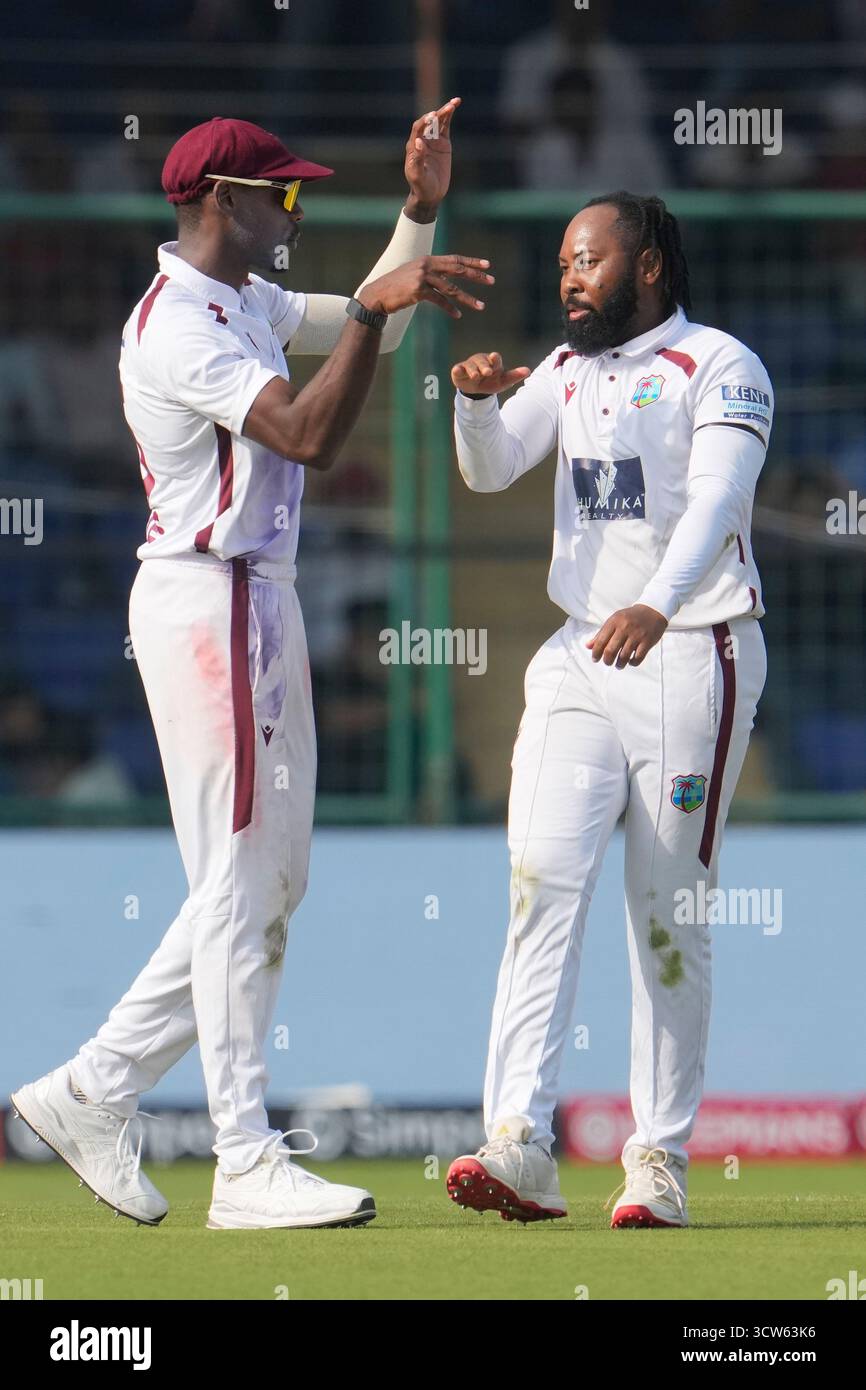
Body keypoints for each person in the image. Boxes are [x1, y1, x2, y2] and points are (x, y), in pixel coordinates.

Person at [11, 103, 493, 1231]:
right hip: (210, 597)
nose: (297, 207)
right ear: (217, 200)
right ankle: (241, 1158)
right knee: (240, 885)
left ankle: (93, 1089)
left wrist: (415, 215)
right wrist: (375, 315)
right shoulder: (182, 323)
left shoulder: (242, 297)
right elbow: (309, 435)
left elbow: (382, 319)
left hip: (246, 599)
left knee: (263, 885)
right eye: (279, 193)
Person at [446, 192, 773, 1228]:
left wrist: (655, 601)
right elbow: (492, 468)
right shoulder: (568, 368)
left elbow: (718, 499)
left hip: (690, 650)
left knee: (666, 915)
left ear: (645, 267)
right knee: (539, 884)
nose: (566, 278)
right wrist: (472, 405)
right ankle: (520, 1144)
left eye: (585, 260)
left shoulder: (718, 365)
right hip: (580, 653)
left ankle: (656, 1161)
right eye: (558, 264)